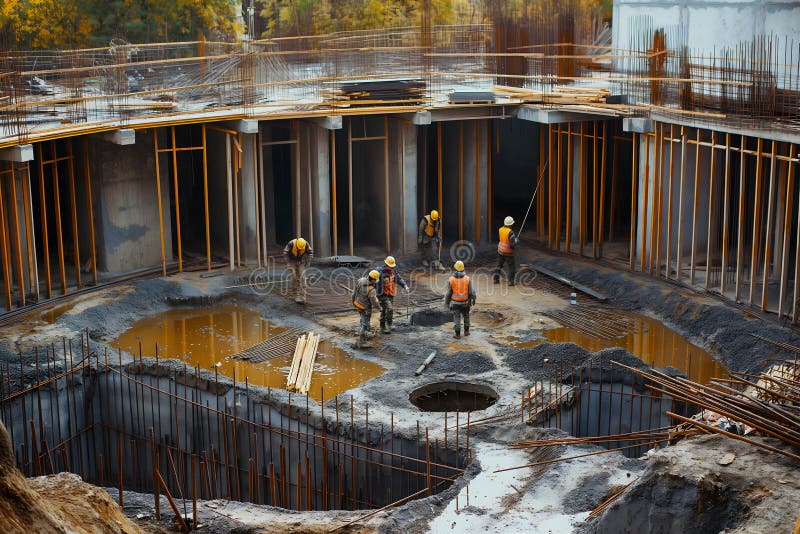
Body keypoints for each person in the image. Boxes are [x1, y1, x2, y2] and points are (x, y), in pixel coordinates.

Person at [376, 256, 409, 334]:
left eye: (392, 266)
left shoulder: (393, 272)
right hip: (382, 295)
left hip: (391, 294)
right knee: (389, 309)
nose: (391, 268)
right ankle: (385, 326)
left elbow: (399, 279)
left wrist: (405, 285)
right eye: (390, 266)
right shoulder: (380, 273)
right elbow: (374, 283)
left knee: (385, 310)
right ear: (386, 265)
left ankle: (387, 325)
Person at [444, 260, 476, 339]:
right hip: (465, 302)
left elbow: (448, 293)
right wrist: (473, 300)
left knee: (457, 318)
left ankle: (457, 334)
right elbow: (472, 292)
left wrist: (446, 303)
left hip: (455, 303)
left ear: (455, 269)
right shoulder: (467, 279)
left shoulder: (451, 279)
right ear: (463, 269)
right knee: (466, 316)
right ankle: (466, 332)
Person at [352, 270, 382, 348]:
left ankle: (362, 332)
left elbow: (354, 292)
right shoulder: (371, 289)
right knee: (365, 323)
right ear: (373, 279)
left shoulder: (360, 280)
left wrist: (353, 302)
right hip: (365, 308)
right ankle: (362, 342)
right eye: (375, 280)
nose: (376, 282)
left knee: (362, 319)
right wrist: (379, 308)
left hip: (357, 304)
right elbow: (374, 302)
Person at [283, 237, 312, 303]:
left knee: (303, 277)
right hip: (291, 261)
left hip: (301, 261)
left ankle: (302, 297)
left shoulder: (306, 244)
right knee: (294, 276)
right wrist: (288, 262)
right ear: (296, 245)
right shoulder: (291, 244)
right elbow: (285, 253)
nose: (300, 249)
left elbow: (310, 253)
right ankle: (295, 294)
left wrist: (308, 262)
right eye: (299, 248)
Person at [494, 216, 518, 286]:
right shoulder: (511, 232)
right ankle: (511, 282)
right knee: (512, 267)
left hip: (501, 251)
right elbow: (512, 245)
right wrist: (516, 241)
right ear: (510, 224)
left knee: (499, 265)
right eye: (512, 224)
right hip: (508, 253)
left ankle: (496, 279)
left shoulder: (500, 229)